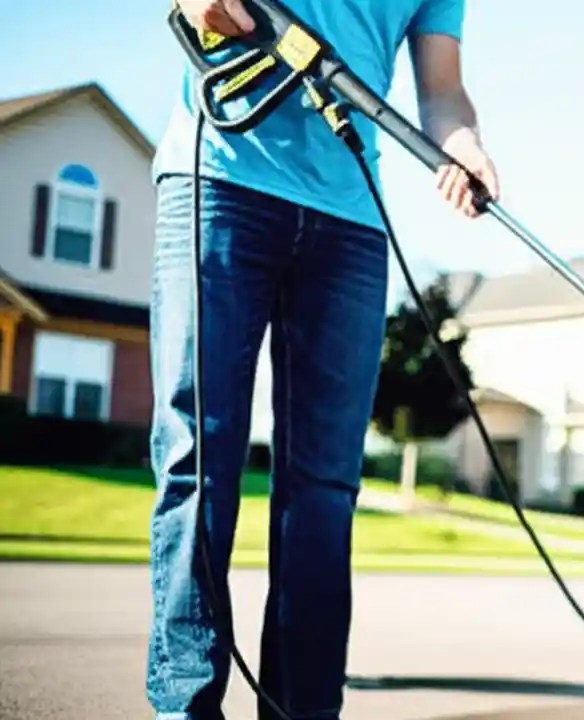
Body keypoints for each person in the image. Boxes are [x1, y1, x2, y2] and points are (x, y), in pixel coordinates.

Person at [145, 1, 498, 718]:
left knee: (325, 489)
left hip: (350, 217)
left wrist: (462, 143)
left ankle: (302, 709)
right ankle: (184, 704)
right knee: (199, 455)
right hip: (221, 179)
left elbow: (440, 89)